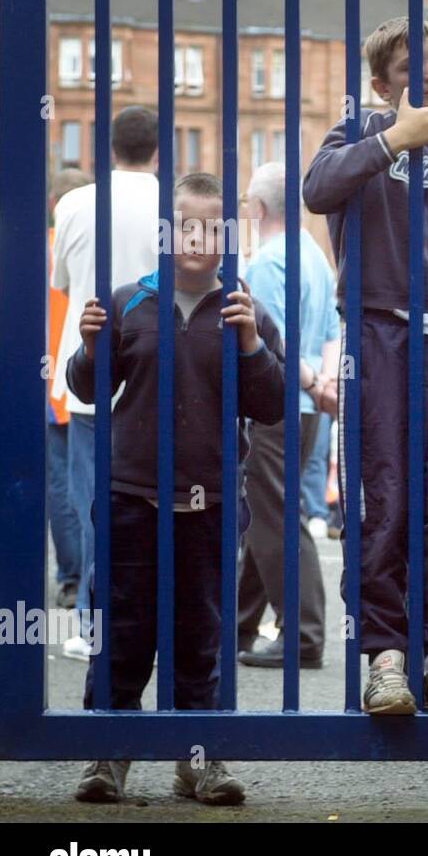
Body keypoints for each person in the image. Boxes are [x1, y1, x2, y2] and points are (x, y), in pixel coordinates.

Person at [302, 16, 428, 714]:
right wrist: (391, 138)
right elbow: (316, 189)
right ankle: (385, 656)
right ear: (379, 82)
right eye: (413, 62)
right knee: (383, 499)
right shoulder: (359, 135)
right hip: (381, 340)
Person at [69, 172, 286, 805]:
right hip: (130, 497)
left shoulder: (243, 308)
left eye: (212, 227)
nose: (197, 237)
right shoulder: (130, 300)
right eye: (185, 225)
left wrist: (249, 344)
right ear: (167, 233)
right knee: (125, 629)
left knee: (201, 636)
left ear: (228, 236)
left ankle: (201, 758)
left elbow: (271, 404)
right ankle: (107, 753)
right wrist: (87, 348)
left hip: (209, 504)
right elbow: (88, 387)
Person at [50, 107, 161, 662]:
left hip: (92, 376)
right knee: (166, 505)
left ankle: (95, 625)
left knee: (95, 507)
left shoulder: (73, 204)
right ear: (159, 148)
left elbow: (63, 285)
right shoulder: (174, 204)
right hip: (157, 382)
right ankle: (162, 621)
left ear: (108, 147)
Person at [236, 162, 341, 669]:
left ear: (256, 208)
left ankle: (302, 636)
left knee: (276, 519)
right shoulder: (315, 256)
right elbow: (328, 331)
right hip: (308, 409)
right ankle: (235, 626)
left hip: (276, 402)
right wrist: (323, 384)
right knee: (268, 513)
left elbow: (270, 339)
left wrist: (310, 383)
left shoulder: (265, 263)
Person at [46, 168, 92, 611]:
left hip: (56, 383)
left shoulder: (48, 248)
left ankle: (73, 577)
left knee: (62, 487)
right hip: (91, 376)